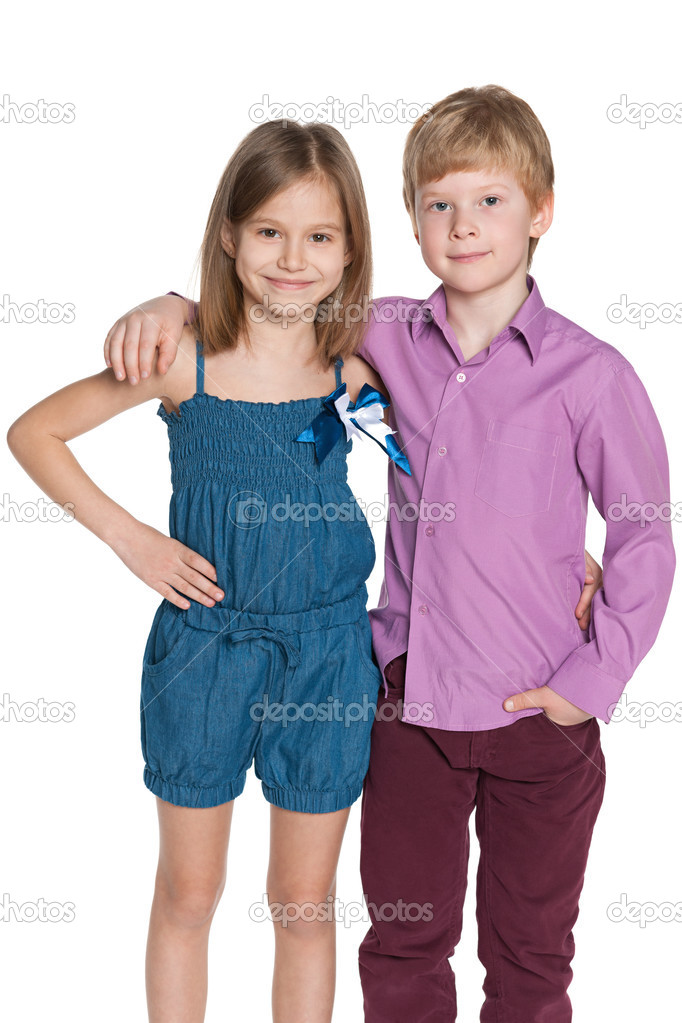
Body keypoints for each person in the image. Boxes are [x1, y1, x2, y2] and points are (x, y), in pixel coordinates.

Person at [96, 89, 618, 1022]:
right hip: (272, 658)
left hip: (367, 659)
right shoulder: (355, 333)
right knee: (256, 903)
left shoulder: (410, 353)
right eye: (440, 205)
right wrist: (172, 299)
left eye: (491, 202)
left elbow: (566, 498)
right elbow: (265, 306)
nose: (463, 228)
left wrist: (556, 562)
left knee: (432, 929)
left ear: (541, 211)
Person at [6, 119, 414, 1023]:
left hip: (328, 652)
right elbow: (34, 432)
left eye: (320, 236)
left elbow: (452, 471)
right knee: (190, 894)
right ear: (228, 234)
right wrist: (133, 539)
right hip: (205, 648)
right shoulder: (178, 360)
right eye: (269, 230)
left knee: (304, 906)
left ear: (351, 252)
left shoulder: (356, 373)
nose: (292, 258)